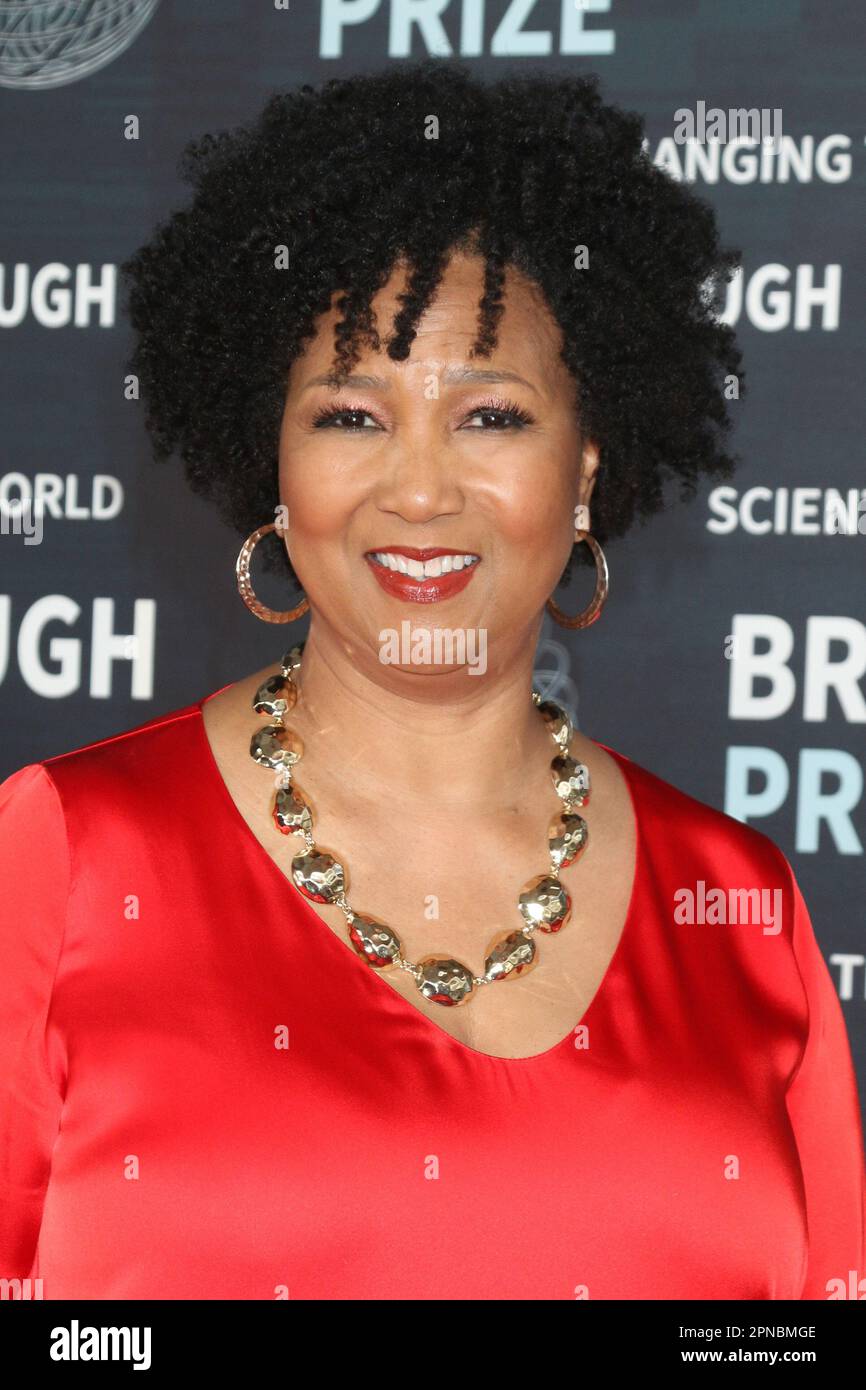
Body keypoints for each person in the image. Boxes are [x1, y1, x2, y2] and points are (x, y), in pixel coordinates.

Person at [1, 61, 863, 1301]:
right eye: (349, 416)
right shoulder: (69, 852)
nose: (416, 491)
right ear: (272, 464)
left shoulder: (739, 910)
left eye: (490, 417)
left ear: (583, 468)